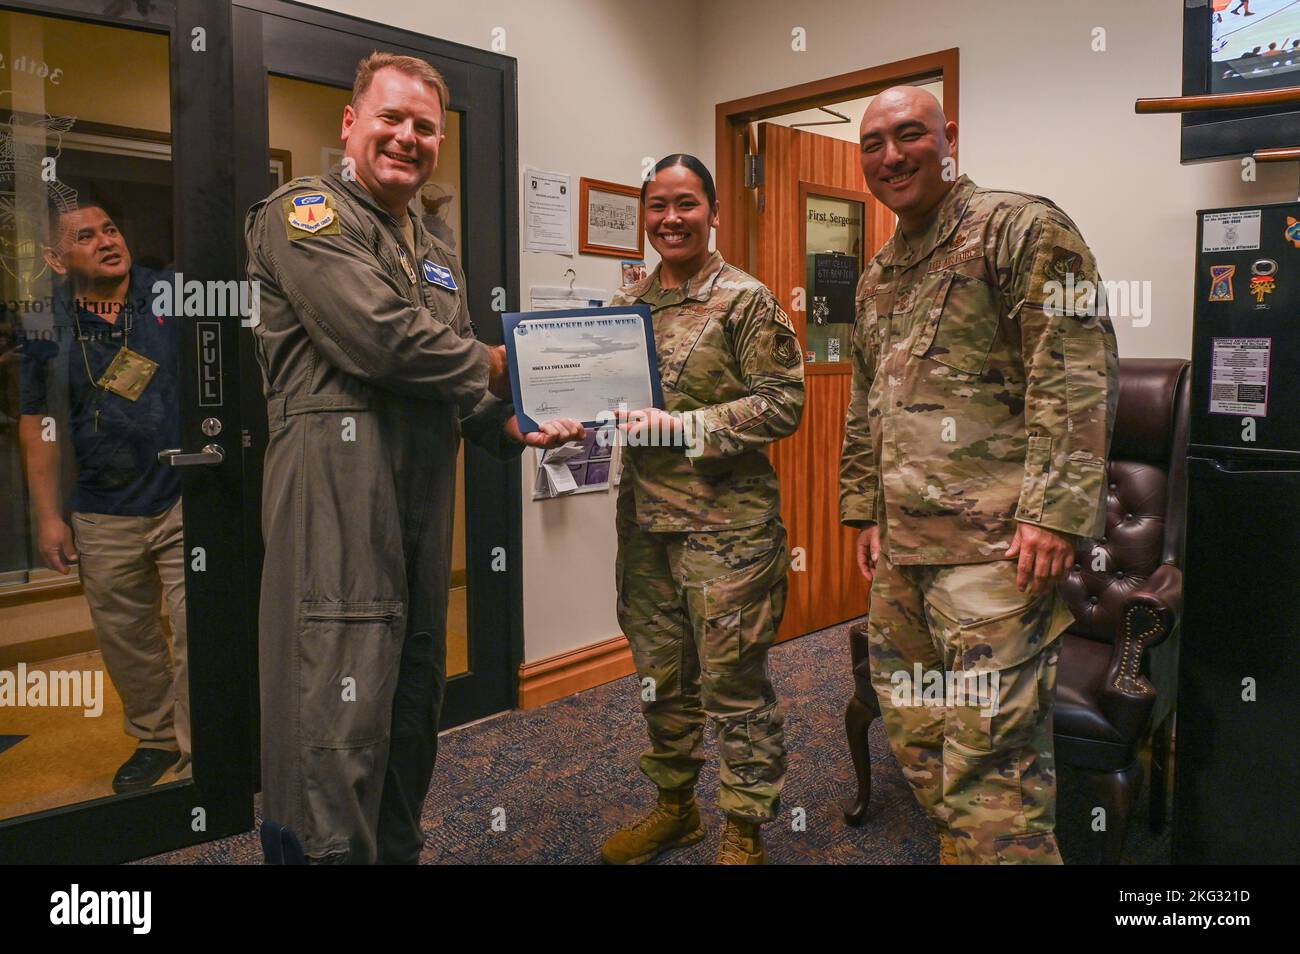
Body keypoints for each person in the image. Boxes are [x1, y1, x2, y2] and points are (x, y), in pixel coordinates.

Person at [244, 52, 580, 865]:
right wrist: (506, 362)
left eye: (425, 126)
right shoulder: (305, 215)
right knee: (332, 705)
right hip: (333, 495)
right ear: (350, 123)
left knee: (410, 694)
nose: (408, 136)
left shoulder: (434, 251)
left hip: (422, 501)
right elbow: (380, 339)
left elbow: (453, 383)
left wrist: (510, 425)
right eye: (390, 118)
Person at [839, 87, 1118, 864]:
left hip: (996, 559)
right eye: (873, 144)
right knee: (921, 739)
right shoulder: (879, 272)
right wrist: (862, 510)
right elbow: (867, 400)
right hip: (903, 558)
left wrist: (1057, 514)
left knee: (994, 774)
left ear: (947, 137)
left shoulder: (1022, 228)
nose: (891, 156)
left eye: (908, 135)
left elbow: (1075, 371)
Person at [600, 154, 805, 865]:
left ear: (713, 212)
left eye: (685, 204)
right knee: (661, 675)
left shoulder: (746, 300)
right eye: (657, 207)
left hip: (729, 534)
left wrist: (686, 427)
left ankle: (744, 830)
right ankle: (676, 808)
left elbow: (786, 403)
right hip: (646, 527)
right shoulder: (630, 309)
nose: (670, 219)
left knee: (732, 683)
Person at [19, 199, 188, 793]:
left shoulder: (170, 293)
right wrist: (48, 517)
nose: (107, 241)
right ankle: (156, 736)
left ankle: (204, 746)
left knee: (200, 630)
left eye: (111, 228)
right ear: (56, 259)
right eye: (86, 236)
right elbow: (39, 421)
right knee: (128, 638)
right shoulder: (46, 322)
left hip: (181, 492)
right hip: (101, 504)